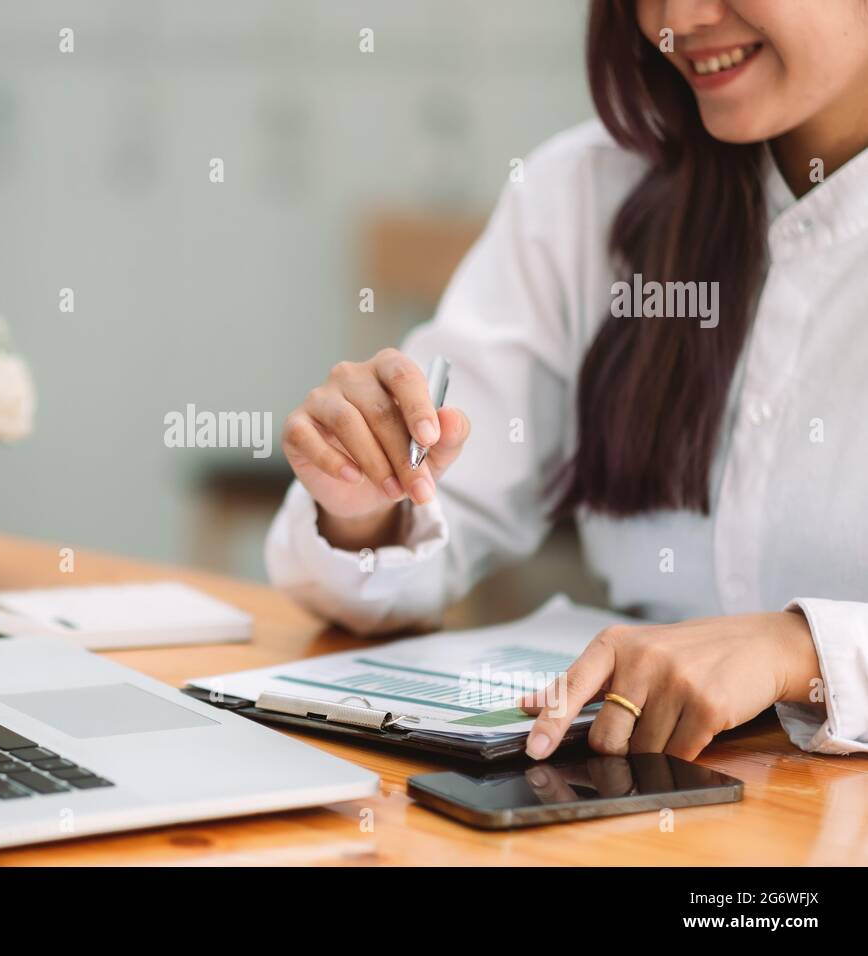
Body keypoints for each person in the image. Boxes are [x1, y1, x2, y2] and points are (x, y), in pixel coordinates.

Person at [266, 0, 868, 761]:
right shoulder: (586, 190)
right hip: (640, 803)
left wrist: (806, 654)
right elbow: (429, 513)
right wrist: (370, 501)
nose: (676, 17)